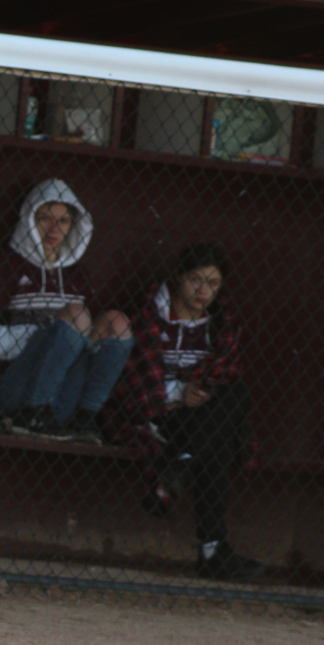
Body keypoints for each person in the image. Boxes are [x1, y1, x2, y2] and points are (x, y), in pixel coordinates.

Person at [116, 244, 263, 582]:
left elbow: (224, 372)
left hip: (198, 417)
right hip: (159, 412)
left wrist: (200, 390)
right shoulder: (150, 312)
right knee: (220, 441)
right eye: (196, 280)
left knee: (234, 393)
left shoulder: (220, 324)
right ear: (179, 276)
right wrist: (178, 394)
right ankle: (213, 549)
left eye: (213, 283)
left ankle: (183, 459)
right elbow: (132, 371)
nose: (203, 291)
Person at [0, 178, 130, 442]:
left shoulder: (77, 274)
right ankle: (33, 413)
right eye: (45, 218)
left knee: (116, 321)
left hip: (65, 393)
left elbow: (81, 336)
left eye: (63, 221)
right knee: (74, 315)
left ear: (74, 225)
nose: (54, 228)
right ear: (29, 218)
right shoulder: (7, 264)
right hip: (19, 389)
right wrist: (44, 337)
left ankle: (85, 415)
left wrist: (68, 338)